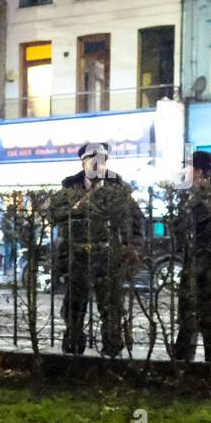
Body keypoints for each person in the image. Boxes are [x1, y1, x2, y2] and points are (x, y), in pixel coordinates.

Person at [51, 142, 145, 357]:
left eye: (101, 160)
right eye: (91, 160)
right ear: (82, 162)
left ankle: (112, 349)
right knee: (74, 306)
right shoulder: (69, 189)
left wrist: (133, 246)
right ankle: (74, 346)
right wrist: (77, 208)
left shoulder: (118, 190)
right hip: (77, 256)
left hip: (108, 258)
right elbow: (53, 213)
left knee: (111, 307)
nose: (96, 165)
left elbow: (137, 220)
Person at [174, 150, 211, 364]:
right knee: (188, 311)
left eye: (188, 168)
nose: (185, 173)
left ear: (198, 171)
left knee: (209, 311)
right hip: (194, 261)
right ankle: (182, 359)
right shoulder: (193, 196)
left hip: (209, 263)